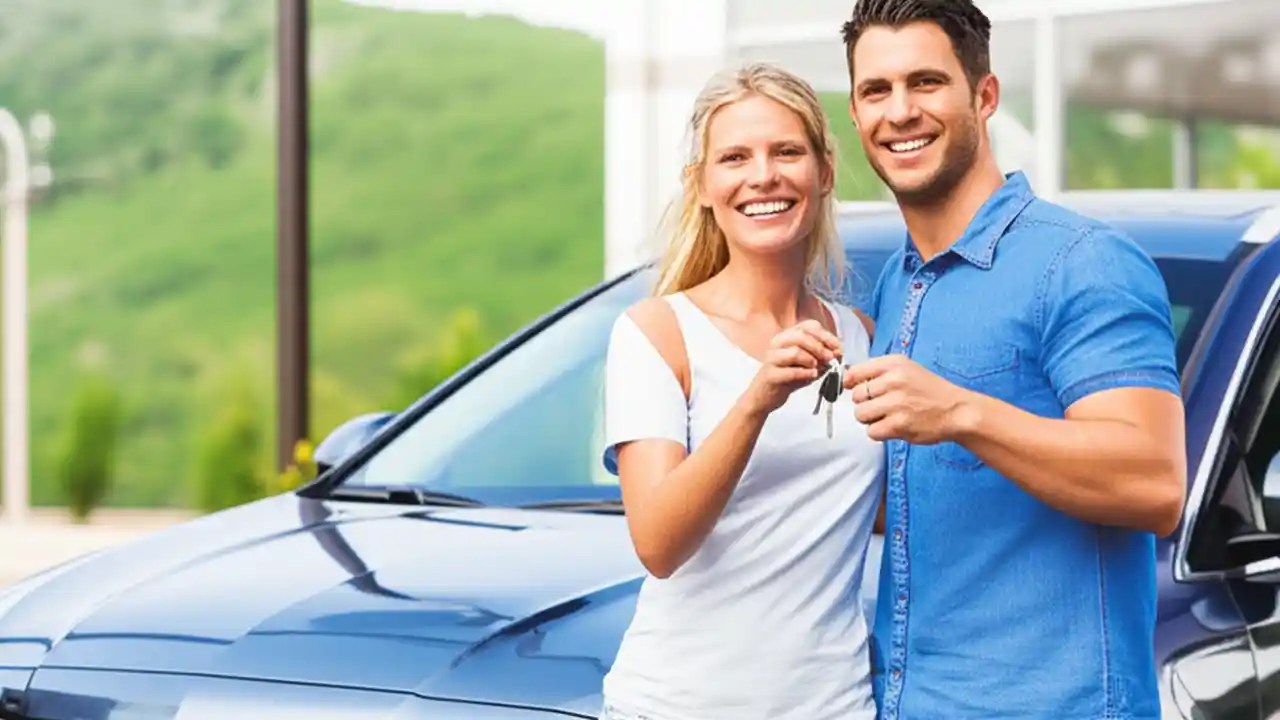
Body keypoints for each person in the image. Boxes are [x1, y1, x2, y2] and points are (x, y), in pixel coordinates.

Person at [836, 1, 1188, 718]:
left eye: (926, 83)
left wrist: (962, 412)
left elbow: (1155, 483)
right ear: (855, 110)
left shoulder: (1081, 262)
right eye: (877, 90)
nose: (899, 111)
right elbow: (919, 503)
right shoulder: (898, 282)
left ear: (985, 96)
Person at [598, 62, 883, 720]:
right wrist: (756, 400)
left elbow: (878, 514)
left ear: (824, 172)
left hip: (833, 707)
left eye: (787, 151)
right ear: (702, 185)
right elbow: (659, 543)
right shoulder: (656, 334)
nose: (764, 176)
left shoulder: (861, 338)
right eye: (734, 157)